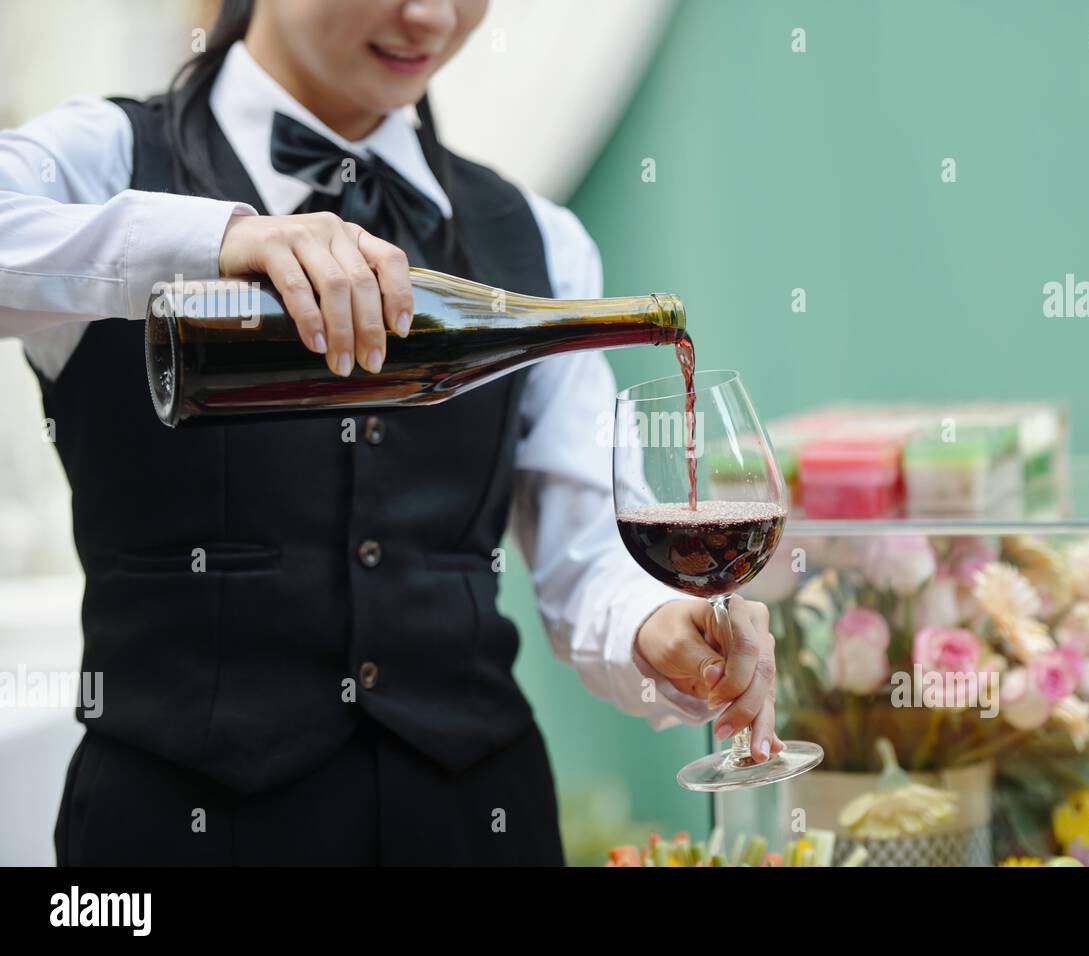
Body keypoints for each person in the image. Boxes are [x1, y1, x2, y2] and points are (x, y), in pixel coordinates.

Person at [0, 0, 782, 865]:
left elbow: (590, 550)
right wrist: (212, 237)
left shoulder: (536, 239)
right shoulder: (104, 161)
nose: (431, 15)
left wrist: (658, 627)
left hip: (480, 825)